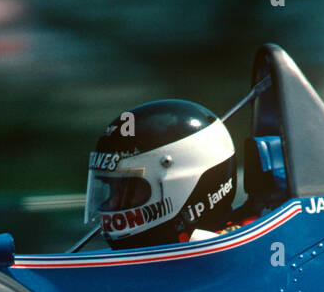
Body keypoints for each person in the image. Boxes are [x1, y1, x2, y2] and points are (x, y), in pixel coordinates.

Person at [84, 99, 241, 250]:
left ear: (181, 185)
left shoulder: (244, 257)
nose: (111, 204)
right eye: (112, 190)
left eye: (129, 190)